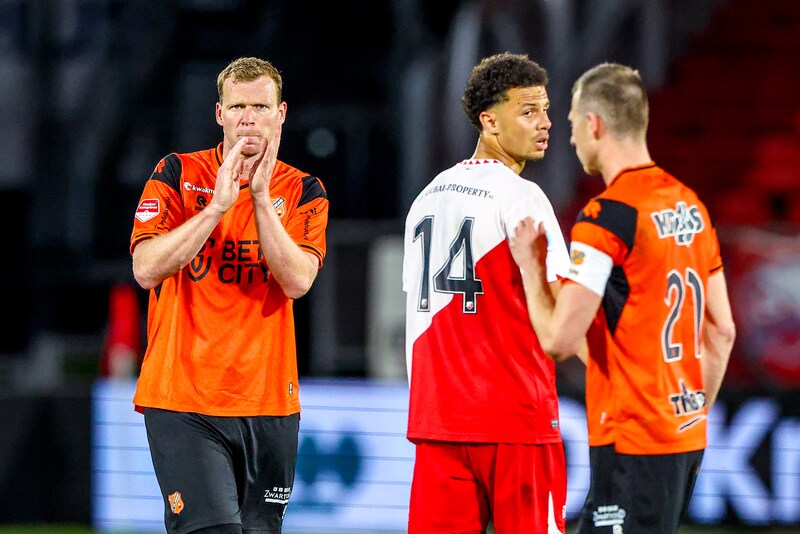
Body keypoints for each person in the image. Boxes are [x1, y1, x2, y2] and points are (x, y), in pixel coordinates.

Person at [508, 62, 737, 533]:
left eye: (571, 123)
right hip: (684, 437)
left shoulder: (607, 217)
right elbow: (722, 331)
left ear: (594, 123)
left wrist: (531, 267)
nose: (570, 138)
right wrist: (691, 417)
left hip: (633, 441)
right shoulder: (690, 204)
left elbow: (558, 339)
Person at [129, 56, 329, 534]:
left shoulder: (302, 189)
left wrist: (259, 197)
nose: (248, 118)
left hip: (269, 405)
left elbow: (298, 280)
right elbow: (145, 268)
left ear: (281, 113)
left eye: (260, 106)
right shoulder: (177, 172)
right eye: (237, 106)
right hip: (184, 398)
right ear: (219, 114)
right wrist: (218, 205)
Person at [402, 51, 572, 534]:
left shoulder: (427, 196)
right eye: (529, 110)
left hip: (436, 418)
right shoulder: (522, 196)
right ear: (489, 121)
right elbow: (557, 319)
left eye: (546, 110)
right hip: (513, 418)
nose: (545, 123)